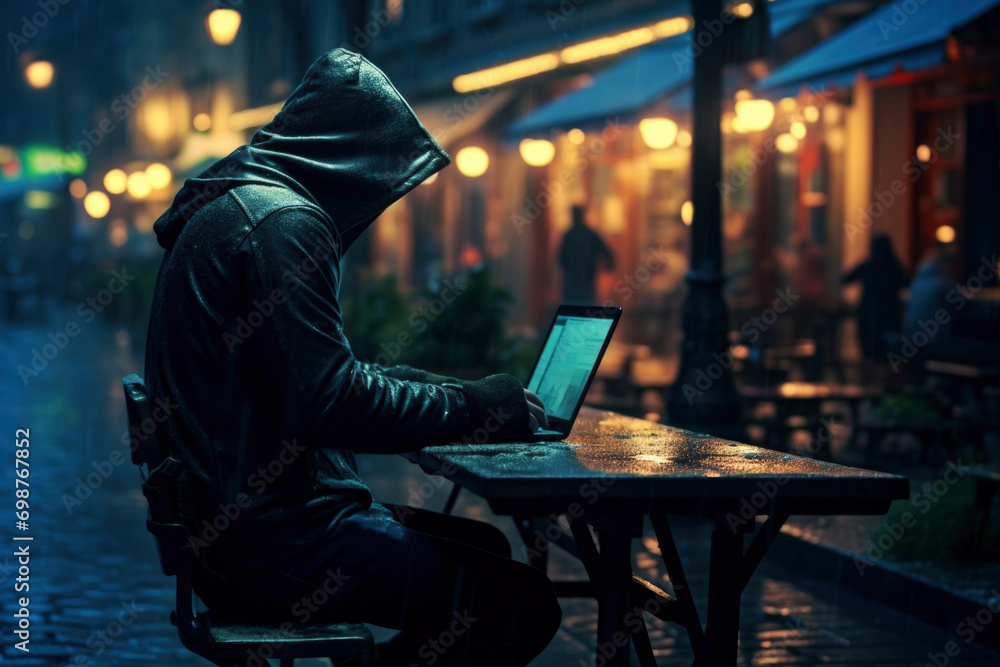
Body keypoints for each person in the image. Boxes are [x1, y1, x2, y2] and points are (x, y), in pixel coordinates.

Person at [144, 48, 559, 666]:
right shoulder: (286, 223)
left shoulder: (236, 206)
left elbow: (309, 375)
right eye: (380, 182)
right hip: (276, 544)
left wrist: (446, 395)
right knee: (521, 605)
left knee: (485, 550)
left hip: (239, 530)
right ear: (347, 162)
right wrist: (476, 409)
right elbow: (331, 401)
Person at [842, 234, 908, 361]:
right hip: (889, 315)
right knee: (886, 353)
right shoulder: (895, 266)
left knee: (869, 352)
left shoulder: (868, 265)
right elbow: (906, 284)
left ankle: (870, 371)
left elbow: (846, 278)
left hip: (868, 314)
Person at [558, 205, 614, 305]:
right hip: (582, 279)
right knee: (583, 306)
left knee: (574, 306)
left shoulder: (571, 235)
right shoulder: (589, 234)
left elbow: (561, 258)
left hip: (578, 280)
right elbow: (607, 253)